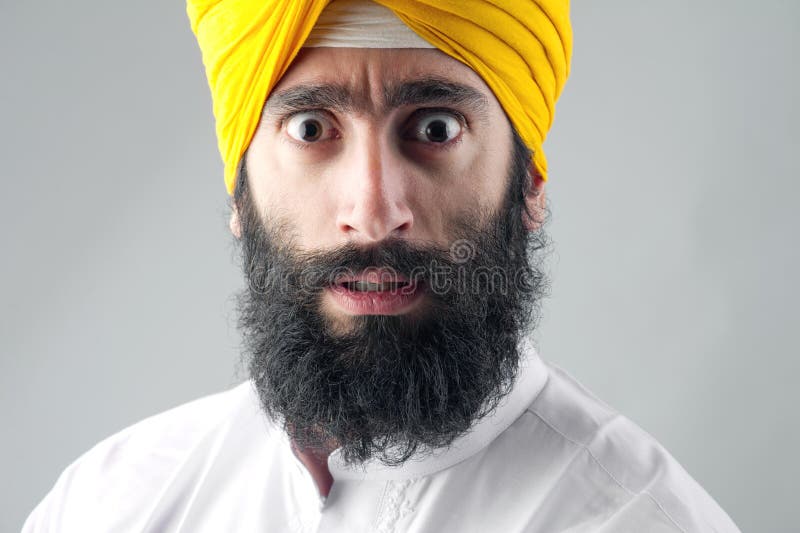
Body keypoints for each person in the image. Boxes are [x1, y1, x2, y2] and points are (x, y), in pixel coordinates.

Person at [23, 1, 741, 531]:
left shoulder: (638, 516)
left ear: (529, 186)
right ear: (239, 191)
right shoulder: (109, 502)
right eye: (311, 129)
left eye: (435, 127)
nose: (372, 212)